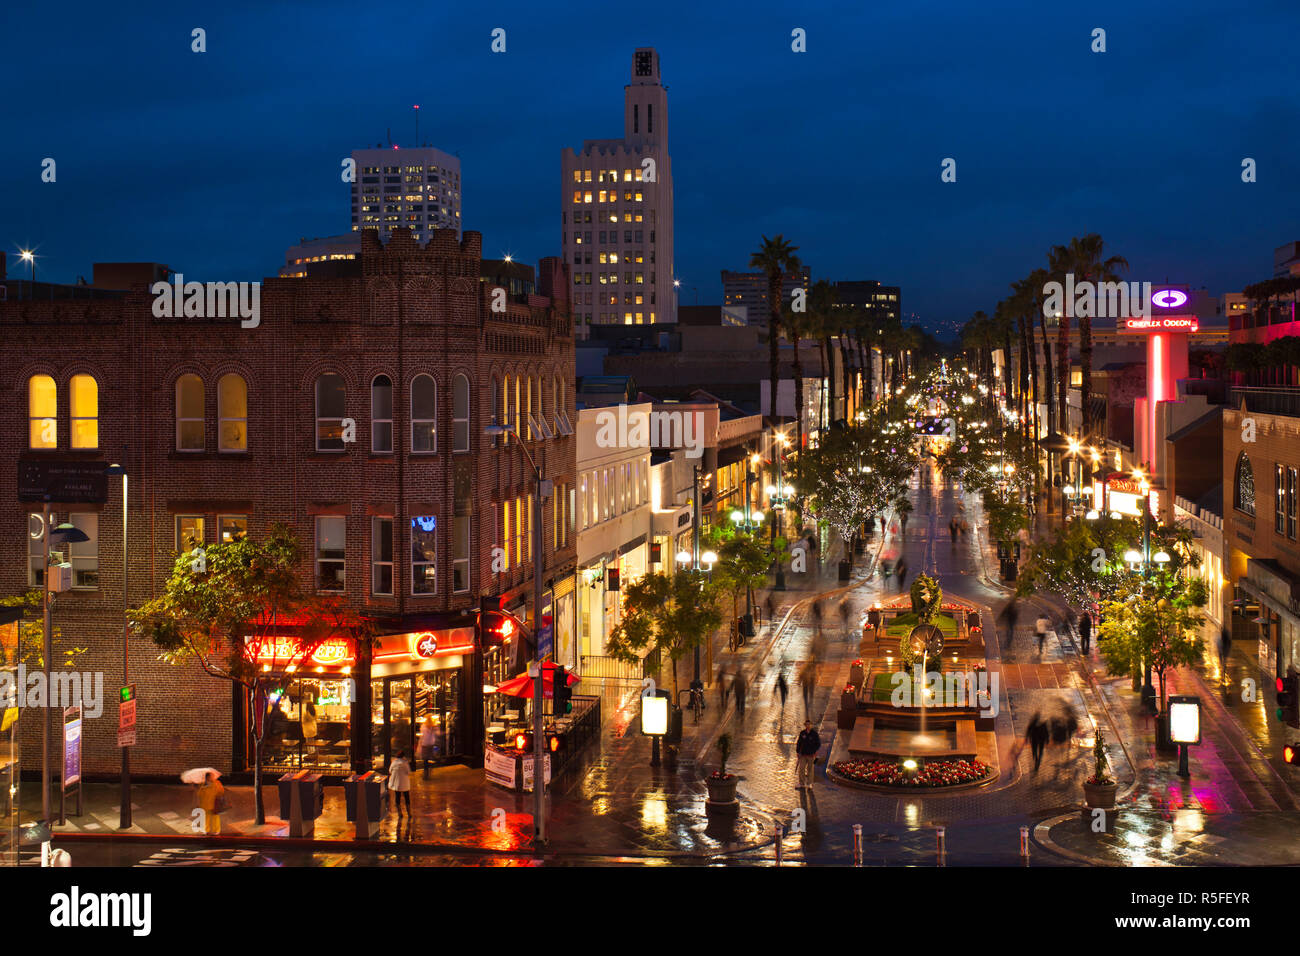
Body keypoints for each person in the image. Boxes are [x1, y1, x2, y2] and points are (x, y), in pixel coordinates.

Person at [197, 770, 225, 835]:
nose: (212, 778)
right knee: (206, 817)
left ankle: (216, 830)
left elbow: (221, 791)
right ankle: (206, 830)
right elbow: (199, 794)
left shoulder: (217, 783)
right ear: (207, 777)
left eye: (212, 776)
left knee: (215, 817)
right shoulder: (203, 785)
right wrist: (203, 787)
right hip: (205, 804)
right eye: (210, 776)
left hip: (214, 803)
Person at [795, 720, 821, 789]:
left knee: (810, 769)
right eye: (806, 724)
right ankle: (801, 783)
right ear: (805, 725)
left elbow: (818, 744)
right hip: (803, 754)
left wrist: (814, 751)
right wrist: (797, 752)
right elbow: (799, 743)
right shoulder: (802, 733)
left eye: (809, 724)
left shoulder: (814, 734)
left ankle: (809, 783)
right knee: (801, 769)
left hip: (811, 755)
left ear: (811, 725)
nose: (808, 726)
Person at [389, 751, 412, 816]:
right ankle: (409, 813)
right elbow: (408, 772)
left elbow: (390, 771)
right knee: (407, 797)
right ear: (403, 756)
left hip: (397, 784)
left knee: (397, 797)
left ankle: (400, 813)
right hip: (405, 784)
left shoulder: (393, 762)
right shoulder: (405, 763)